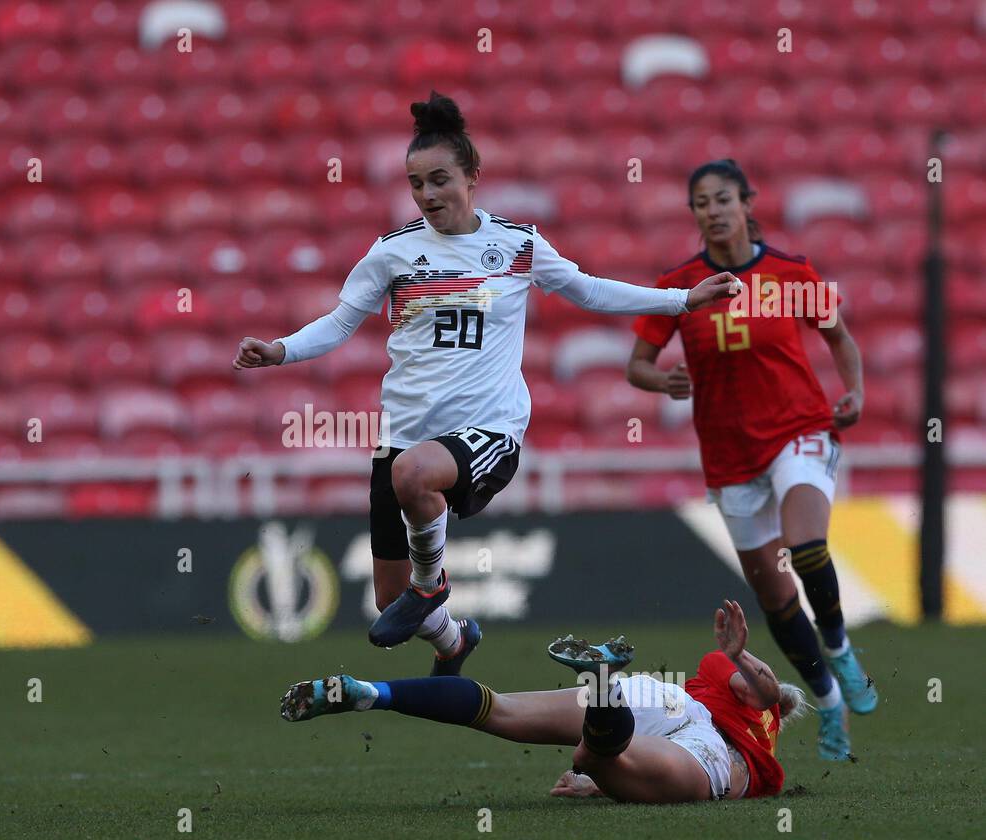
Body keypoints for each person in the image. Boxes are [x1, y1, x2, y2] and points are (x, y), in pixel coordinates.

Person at [234, 92, 738, 673]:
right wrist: (280, 350)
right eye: (416, 183)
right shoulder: (393, 253)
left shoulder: (517, 245)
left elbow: (589, 289)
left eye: (440, 180)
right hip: (403, 432)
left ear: (473, 177)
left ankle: (431, 586)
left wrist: (682, 299)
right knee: (387, 602)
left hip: (487, 429)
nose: (427, 195)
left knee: (414, 481)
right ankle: (452, 637)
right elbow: (341, 322)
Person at [625, 159, 876, 761]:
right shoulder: (680, 284)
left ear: (746, 204)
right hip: (729, 454)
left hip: (800, 428)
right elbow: (635, 365)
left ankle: (839, 646)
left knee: (808, 544)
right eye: (701, 203)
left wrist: (856, 393)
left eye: (722, 199)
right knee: (776, 599)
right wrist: (663, 384)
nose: (712, 211)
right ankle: (828, 700)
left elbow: (838, 336)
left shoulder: (790, 271)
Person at [280, 599, 805, 803]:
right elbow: (759, 686)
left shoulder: (712, 682)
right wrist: (742, 654)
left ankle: (375, 693)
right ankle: (600, 697)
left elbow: (756, 684)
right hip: (702, 743)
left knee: (501, 710)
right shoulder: (754, 713)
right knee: (601, 760)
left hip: (659, 700)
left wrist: (594, 790)